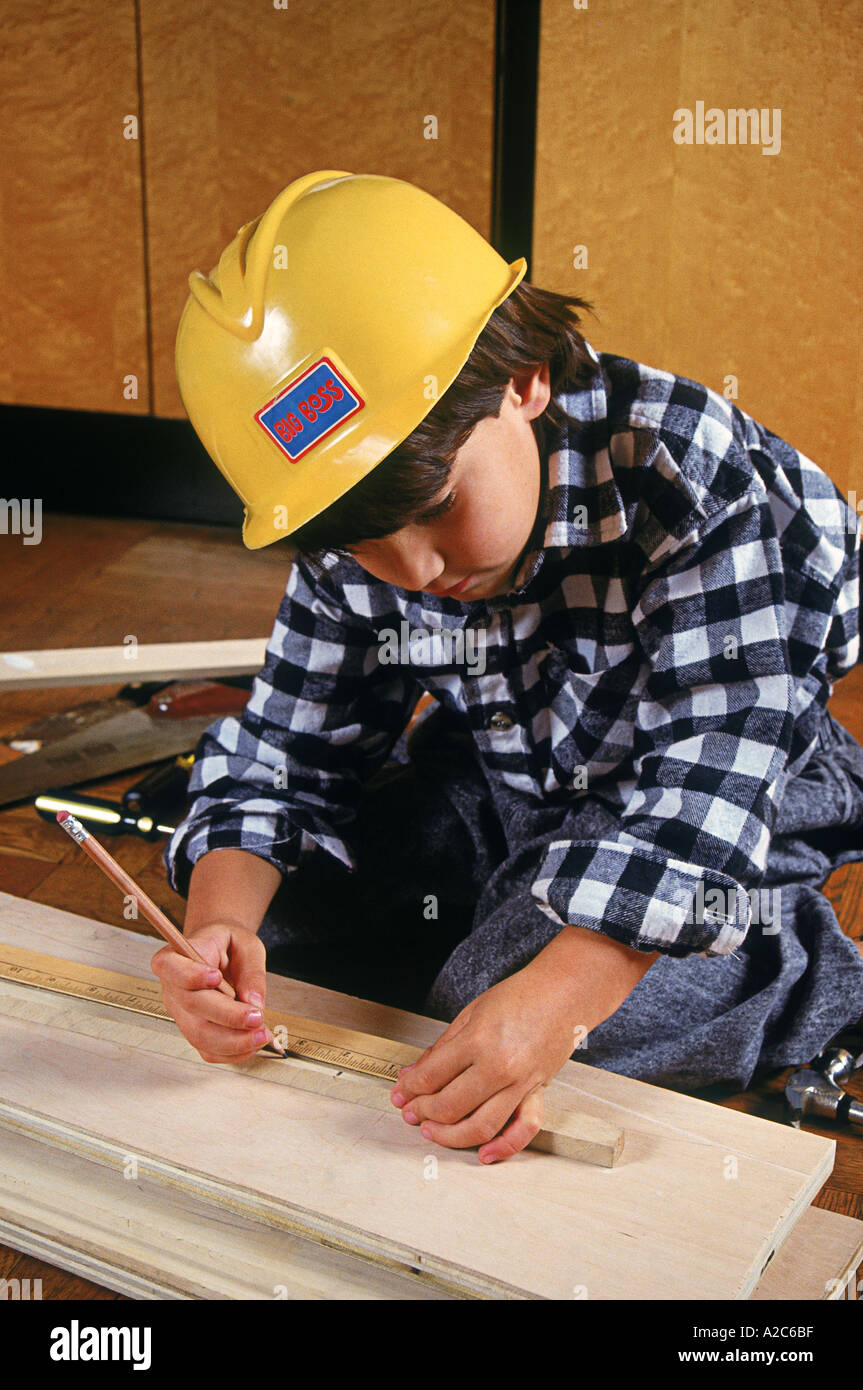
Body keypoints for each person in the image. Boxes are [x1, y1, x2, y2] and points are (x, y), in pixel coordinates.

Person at [153, 170, 863, 1164]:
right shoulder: (355, 522)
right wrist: (220, 924)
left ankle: (794, 968)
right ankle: (510, 917)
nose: (413, 572)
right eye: (359, 544)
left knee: (499, 991)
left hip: (734, 787)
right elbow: (287, 751)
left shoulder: (690, 472)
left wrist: (554, 1001)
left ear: (523, 380)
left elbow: (709, 776)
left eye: (436, 508)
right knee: (297, 931)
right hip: (503, 763)